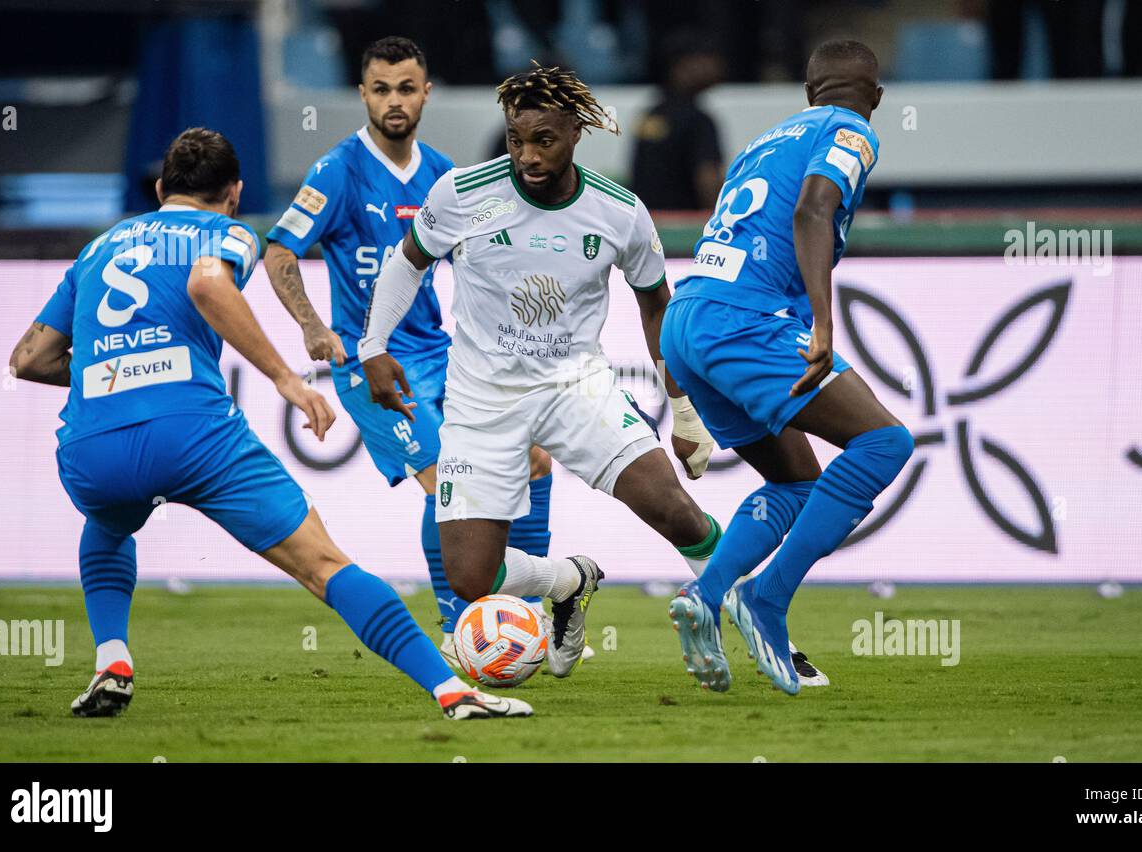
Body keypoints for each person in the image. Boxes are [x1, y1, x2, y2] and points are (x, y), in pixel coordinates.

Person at [9, 127, 529, 721]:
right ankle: (453, 691)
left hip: (91, 448)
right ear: (234, 192)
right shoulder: (225, 231)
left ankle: (113, 658)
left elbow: (29, 360)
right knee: (325, 566)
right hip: (192, 435)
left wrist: (113, 371)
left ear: (159, 188)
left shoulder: (97, 247)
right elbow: (208, 284)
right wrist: (285, 379)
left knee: (106, 524)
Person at [358, 63, 726, 680]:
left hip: (575, 386)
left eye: (544, 140)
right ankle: (568, 581)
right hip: (481, 398)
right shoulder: (461, 192)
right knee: (474, 578)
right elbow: (407, 262)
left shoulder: (620, 211)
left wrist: (685, 411)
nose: (526, 154)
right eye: (515, 139)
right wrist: (372, 346)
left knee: (676, 511)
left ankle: (762, 627)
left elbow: (657, 305)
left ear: (577, 132)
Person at [263, 37, 557, 665]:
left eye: (405, 88)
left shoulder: (445, 175)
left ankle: (527, 618)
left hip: (445, 353)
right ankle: (461, 626)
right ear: (362, 94)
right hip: (370, 365)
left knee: (533, 461)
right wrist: (315, 327)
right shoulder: (338, 171)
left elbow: (492, 264)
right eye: (380, 88)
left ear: (426, 92)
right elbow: (280, 250)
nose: (393, 101)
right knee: (451, 482)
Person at [661, 40, 914, 696]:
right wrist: (823, 326)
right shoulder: (851, 129)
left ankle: (707, 591)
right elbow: (811, 210)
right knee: (885, 442)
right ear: (877, 97)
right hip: (747, 320)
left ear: (808, 91)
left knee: (797, 481)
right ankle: (765, 601)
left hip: (688, 317)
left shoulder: (765, 140)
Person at [630, 29, 725, 211]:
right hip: (686, 230)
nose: (715, 65)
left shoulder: (649, 115)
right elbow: (708, 182)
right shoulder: (698, 121)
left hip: (647, 226)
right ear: (681, 67)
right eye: (705, 58)